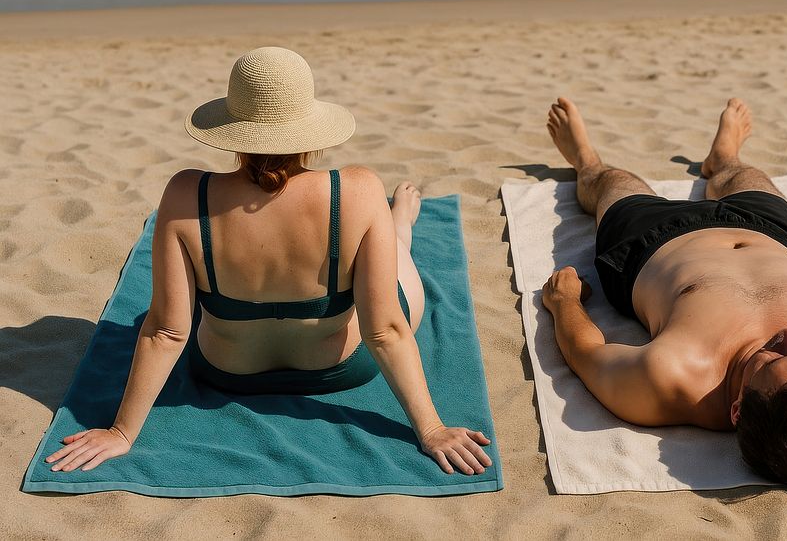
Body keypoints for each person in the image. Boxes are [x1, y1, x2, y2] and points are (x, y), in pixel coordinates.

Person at [45, 47, 491, 477]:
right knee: (391, 259)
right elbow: (385, 329)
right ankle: (398, 229)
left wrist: (122, 432)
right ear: (310, 128)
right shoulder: (355, 189)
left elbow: (166, 331)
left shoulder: (186, 194)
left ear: (232, 127)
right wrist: (430, 430)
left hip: (227, 373)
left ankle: (391, 231)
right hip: (341, 368)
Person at [541, 96, 787, 491]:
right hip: (773, 235)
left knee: (612, 183)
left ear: (737, 409)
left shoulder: (672, 378)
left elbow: (587, 355)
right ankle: (723, 158)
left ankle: (585, 159)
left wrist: (563, 302)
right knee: (742, 176)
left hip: (651, 243)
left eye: (772, 359)